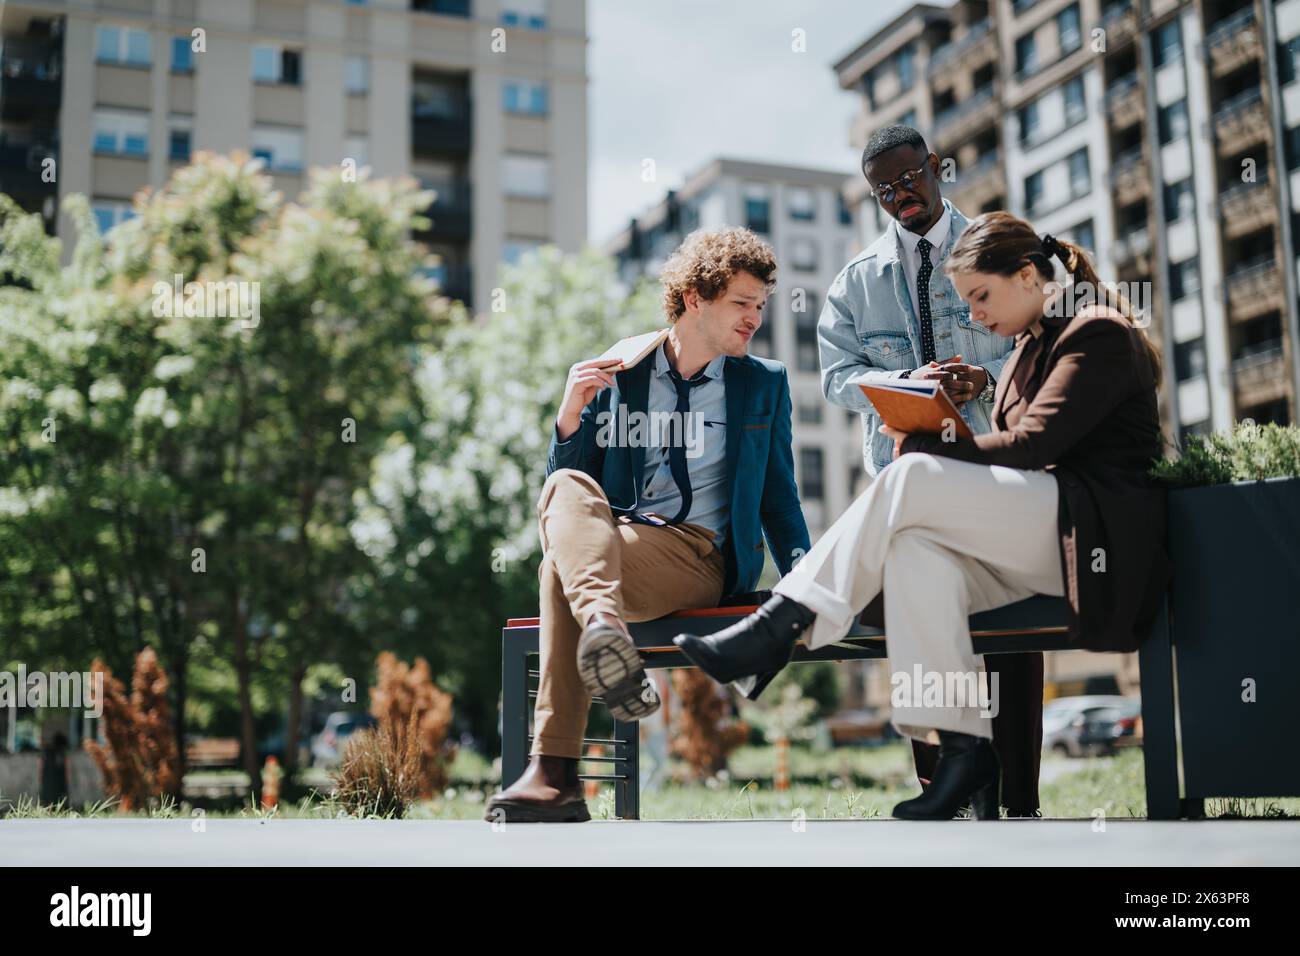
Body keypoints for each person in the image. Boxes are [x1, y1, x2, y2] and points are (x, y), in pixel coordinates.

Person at [675, 212, 1169, 820]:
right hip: (1035, 535)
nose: (976, 316)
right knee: (914, 556)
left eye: (981, 298)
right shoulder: (1021, 357)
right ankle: (962, 749)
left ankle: (780, 625)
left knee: (907, 473)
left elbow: (1036, 446)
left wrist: (932, 446)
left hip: (1092, 535)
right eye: (967, 303)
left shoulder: (1098, 333)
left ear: (1026, 275)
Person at [486, 227, 811, 823]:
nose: (754, 320)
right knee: (563, 498)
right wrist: (569, 418)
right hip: (620, 546)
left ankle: (553, 773)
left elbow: (780, 500)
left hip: (702, 560)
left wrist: (806, 585)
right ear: (694, 298)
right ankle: (605, 632)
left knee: (558, 567)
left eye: (761, 306)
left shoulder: (763, 383)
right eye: (741, 304)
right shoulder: (624, 372)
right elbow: (569, 494)